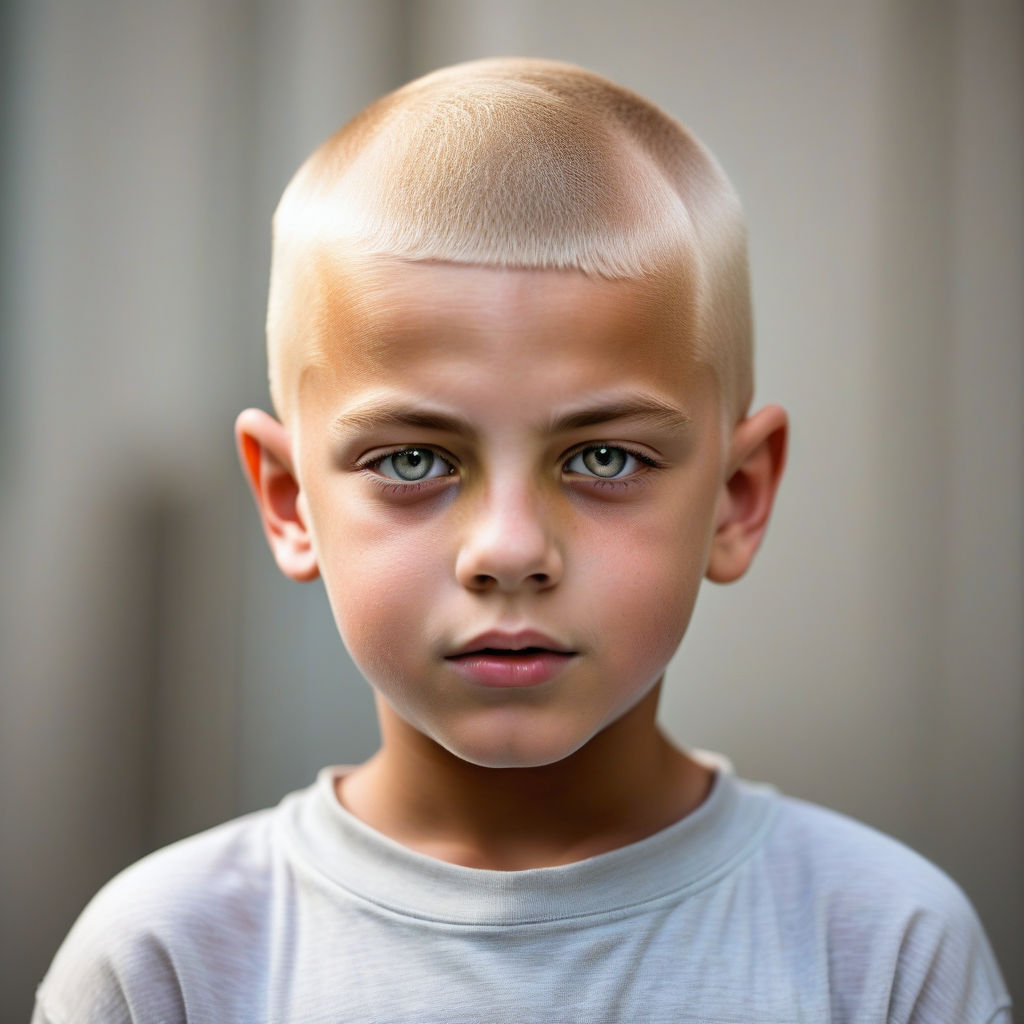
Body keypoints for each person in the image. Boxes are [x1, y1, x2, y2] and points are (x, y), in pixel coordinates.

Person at [32, 57, 1011, 1023]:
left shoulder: (882, 950)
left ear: (735, 496)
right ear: (290, 501)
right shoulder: (166, 964)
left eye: (603, 458)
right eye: (414, 461)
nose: (507, 549)